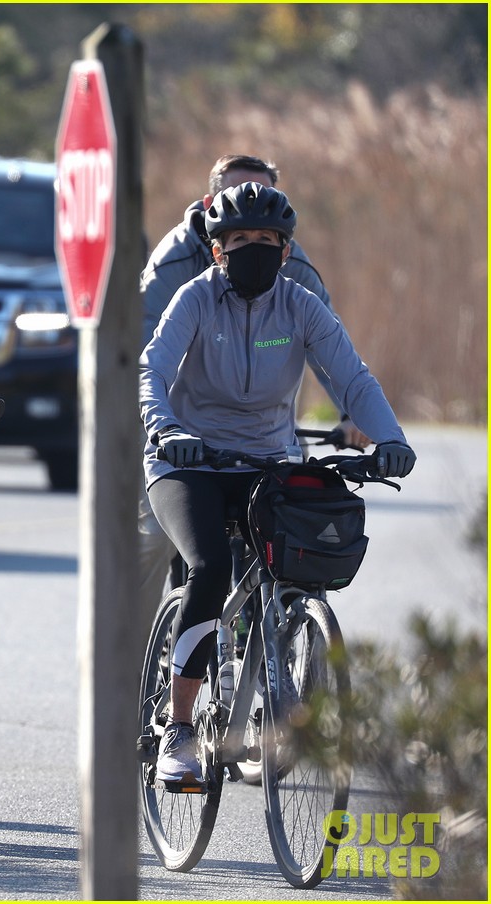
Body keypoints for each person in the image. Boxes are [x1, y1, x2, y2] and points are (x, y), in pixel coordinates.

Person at [139, 181, 415, 782]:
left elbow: (352, 378)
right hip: (188, 464)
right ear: (217, 250)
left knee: (294, 566)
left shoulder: (300, 307)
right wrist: (164, 428)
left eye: (267, 241)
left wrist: (389, 439)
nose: (253, 250)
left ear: (287, 250)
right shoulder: (194, 300)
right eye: (240, 241)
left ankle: (277, 684)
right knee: (209, 568)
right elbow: (154, 370)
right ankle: (180, 730)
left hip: (268, 463)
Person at [137, 154, 369, 619]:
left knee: (292, 535)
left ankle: (279, 654)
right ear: (210, 206)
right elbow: (148, 357)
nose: (253, 216)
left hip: (264, 432)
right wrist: (163, 427)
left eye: (265, 203)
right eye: (238, 207)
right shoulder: (176, 262)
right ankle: (137, 659)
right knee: (153, 541)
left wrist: (352, 416)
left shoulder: (292, 264)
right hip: (180, 425)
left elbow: (330, 352)